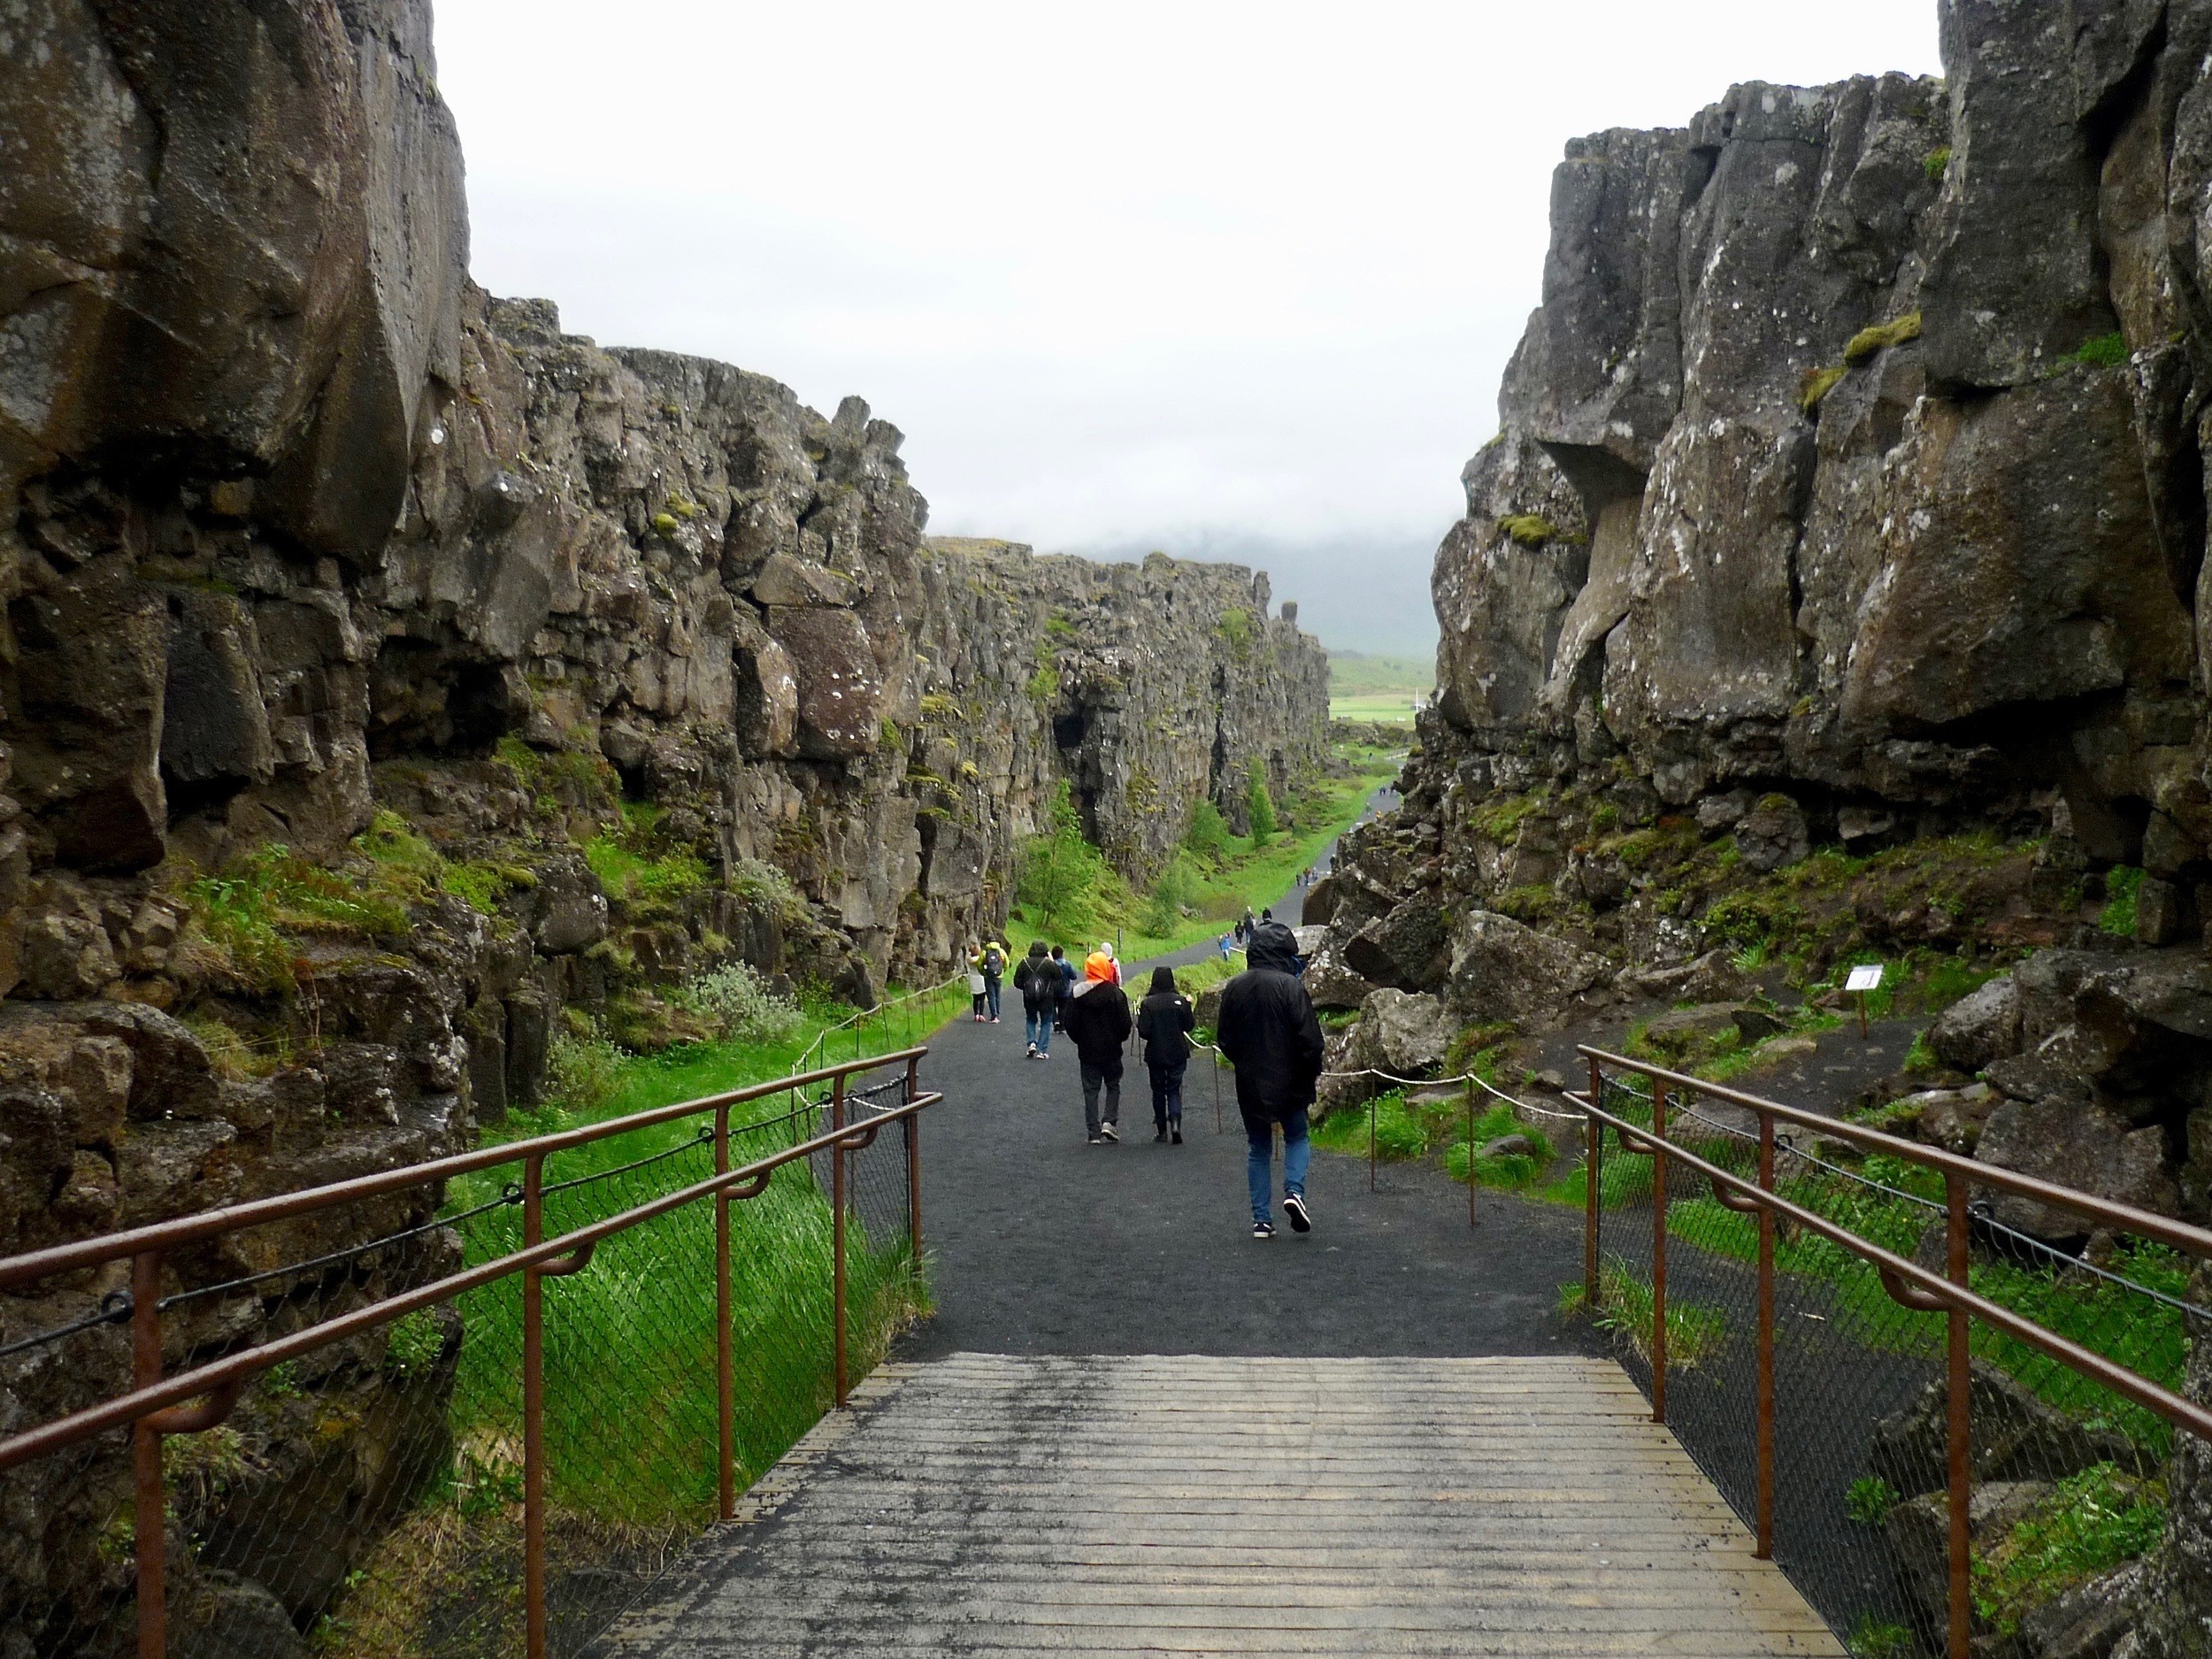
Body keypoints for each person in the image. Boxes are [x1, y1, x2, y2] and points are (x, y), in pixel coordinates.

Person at [1216, 918, 1325, 1239]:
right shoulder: (1292, 987)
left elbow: (1225, 1039)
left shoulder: (1234, 986)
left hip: (1250, 1081)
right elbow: (1311, 1040)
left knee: (1258, 1147)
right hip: (1291, 1079)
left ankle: (1261, 1220)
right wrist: (1309, 1071)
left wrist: (1245, 1063)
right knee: (1297, 1136)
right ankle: (1294, 1192)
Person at [1061, 949, 1132, 1144]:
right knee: (1113, 1085)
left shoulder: (1076, 994)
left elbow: (1070, 1024)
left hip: (1087, 1051)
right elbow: (1125, 1024)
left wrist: (1081, 1040)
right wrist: (1119, 1039)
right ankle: (1109, 1121)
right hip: (1111, 1049)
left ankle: (1093, 1131)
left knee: (1090, 1090)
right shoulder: (1116, 993)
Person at [1136, 965, 1195, 1144]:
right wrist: (1188, 1006)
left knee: (1158, 1091)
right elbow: (1189, 1025)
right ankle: (1175, 1122)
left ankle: (1162, 1130)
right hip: (1178, 1052)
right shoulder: (1181, 1002)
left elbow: (1144, 1031)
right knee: (1174, 1090)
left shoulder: (1148, 1003)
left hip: (1156, 1054)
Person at [1014, 941, 1056, 1059]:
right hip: (1047, 998)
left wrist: (1027, 987)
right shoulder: (1048, 964)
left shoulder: (1024, 963)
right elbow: (1058, 975)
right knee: (1046, 1022)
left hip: (1029, 998)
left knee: (1031, 1020)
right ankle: (1042, 1051)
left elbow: (1017, 982)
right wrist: (1052, 960)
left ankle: (1031, 1043)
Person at [976, 938, 1007, 1022]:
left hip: (988, 977)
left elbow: (979, 964)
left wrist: (983, 972)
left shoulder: (985, 952)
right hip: (999, 976)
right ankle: (997, 1014)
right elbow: (1006, 963)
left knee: (991, 996)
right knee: (998, 995)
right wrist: (1003, 971)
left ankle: (994, 1015)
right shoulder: (1001, 952)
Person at [1050, 944, 1077, 1032]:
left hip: (1052, 991)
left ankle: (1055, 1021)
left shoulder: (1050, 965)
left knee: (1051, 1007)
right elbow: (1074, 976)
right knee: (1063, 1008)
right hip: (1064, 991)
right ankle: (1062, 1024)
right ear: (1062, 954)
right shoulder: (1068, 965)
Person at [965, 941, 987, 1021]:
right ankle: (981, 1014)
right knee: (982, 998)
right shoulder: (980, 960)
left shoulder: (970, 960)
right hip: (980, 979)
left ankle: (976, 1014)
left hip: (973, 979)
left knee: (975, 998)